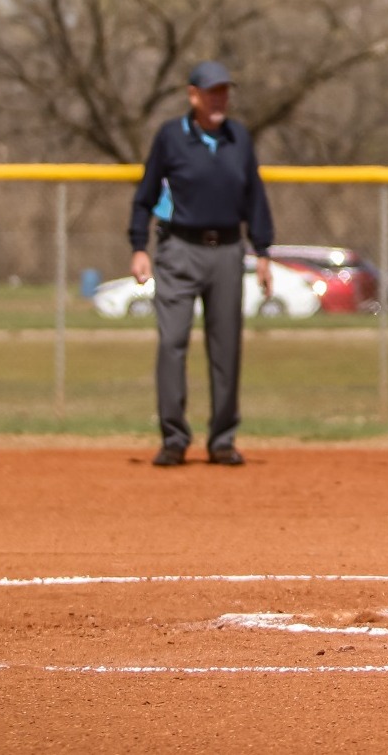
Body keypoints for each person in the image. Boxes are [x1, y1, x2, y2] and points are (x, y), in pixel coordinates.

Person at [128, 60, 275, 468]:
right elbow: (145, 195)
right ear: (193, 95)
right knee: (172, 343)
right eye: (212, 91)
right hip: (179, 249)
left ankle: (222, 440)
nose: (219, 99)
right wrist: (138, 246)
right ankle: (174, 439)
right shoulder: (171, 137)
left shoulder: (238, 138)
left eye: (224, 91)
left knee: (226, 347)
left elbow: (255, 198)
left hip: (227, 250)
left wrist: (263, 252)